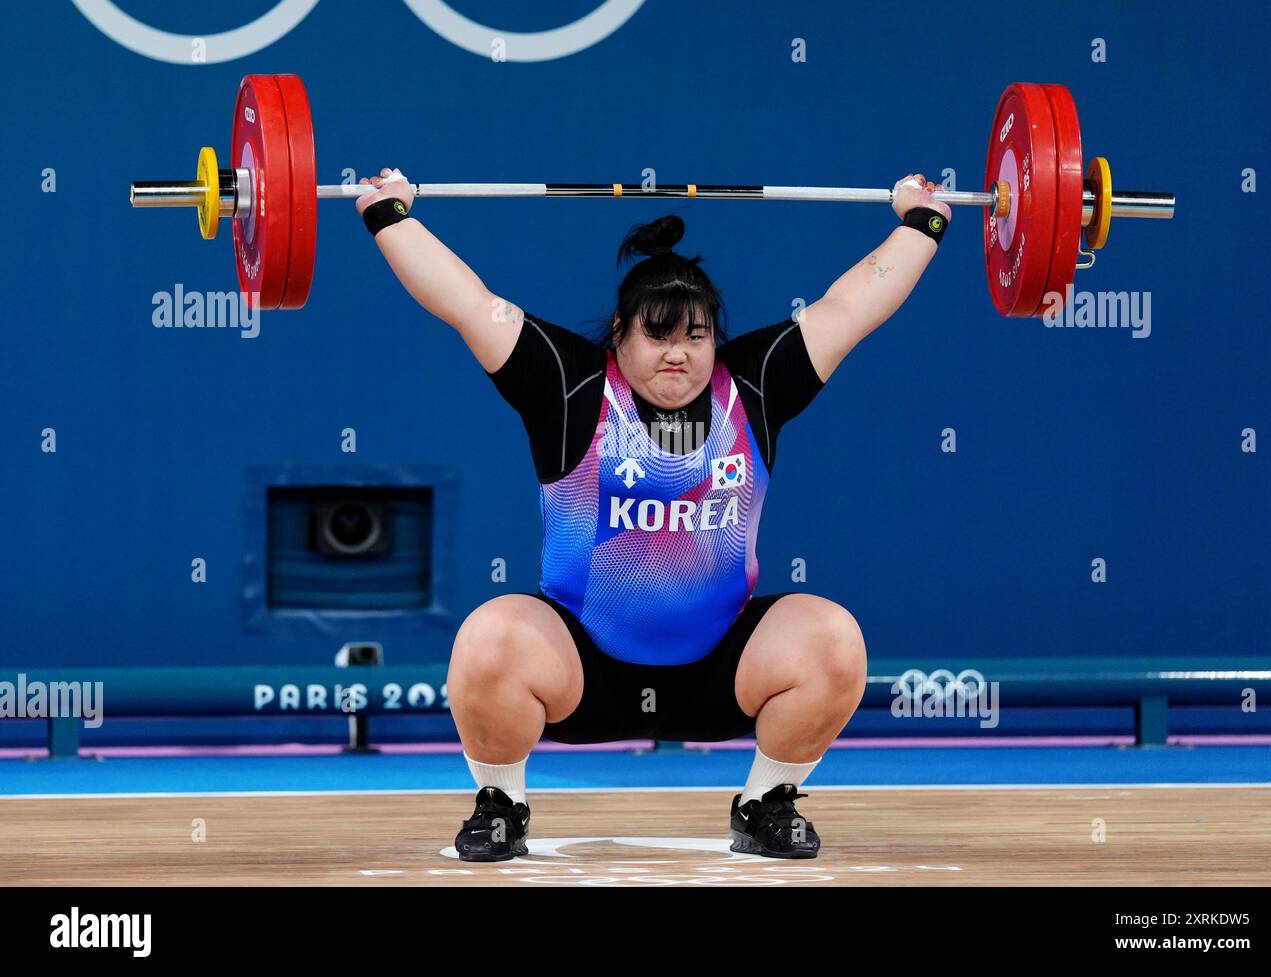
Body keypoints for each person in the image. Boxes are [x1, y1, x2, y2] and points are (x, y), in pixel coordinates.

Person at [356, 169, 952, 859]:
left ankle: (766, 800)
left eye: (696, 336)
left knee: (833, 640)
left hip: (721, 670)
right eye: (659, 334)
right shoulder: (570, 385)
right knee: (488, 639)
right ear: (620, 334)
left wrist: (922, 223)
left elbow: (853, 306)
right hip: (582, 668)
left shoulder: (754, 384)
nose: (679, 352)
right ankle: (501, 803)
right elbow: (468, 302)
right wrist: (389, 215)